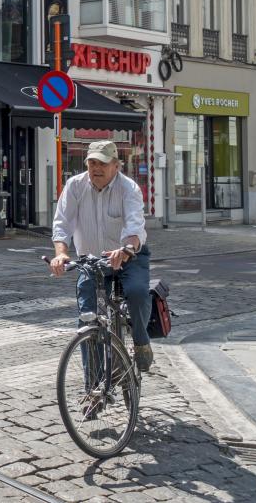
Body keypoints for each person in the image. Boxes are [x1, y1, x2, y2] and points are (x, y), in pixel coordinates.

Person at [49, 140, 153, 372]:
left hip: (129, 256)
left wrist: (126, 248)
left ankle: (141, 340)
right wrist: (61, 253)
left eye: (102, 164)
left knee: (137, 292)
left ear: (116, 165)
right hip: (92, 261)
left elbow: (135, 226)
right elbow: (62, 223)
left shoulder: (128, 188)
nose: (96, 168)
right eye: (92, 163)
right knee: (88, 317)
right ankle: (93, 385)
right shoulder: (75, 186)